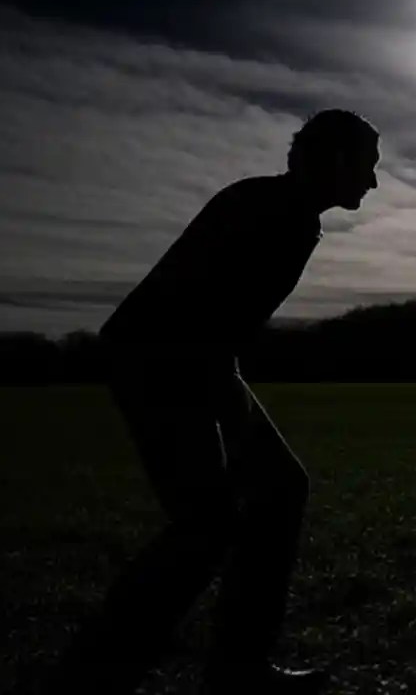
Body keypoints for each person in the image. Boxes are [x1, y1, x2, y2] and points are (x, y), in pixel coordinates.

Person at [53, 109, 381, 694]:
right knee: (205, 526)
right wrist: (224, 415)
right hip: (157, 359)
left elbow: (223, 326)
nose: (372, 183)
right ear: (334, 161)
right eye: (367, 167)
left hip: (197, 359)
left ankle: (237, 667)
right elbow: (194, 315)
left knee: (278, 490)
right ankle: (99, 670)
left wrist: (227, 401)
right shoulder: (270, 212)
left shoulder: (290, 215)